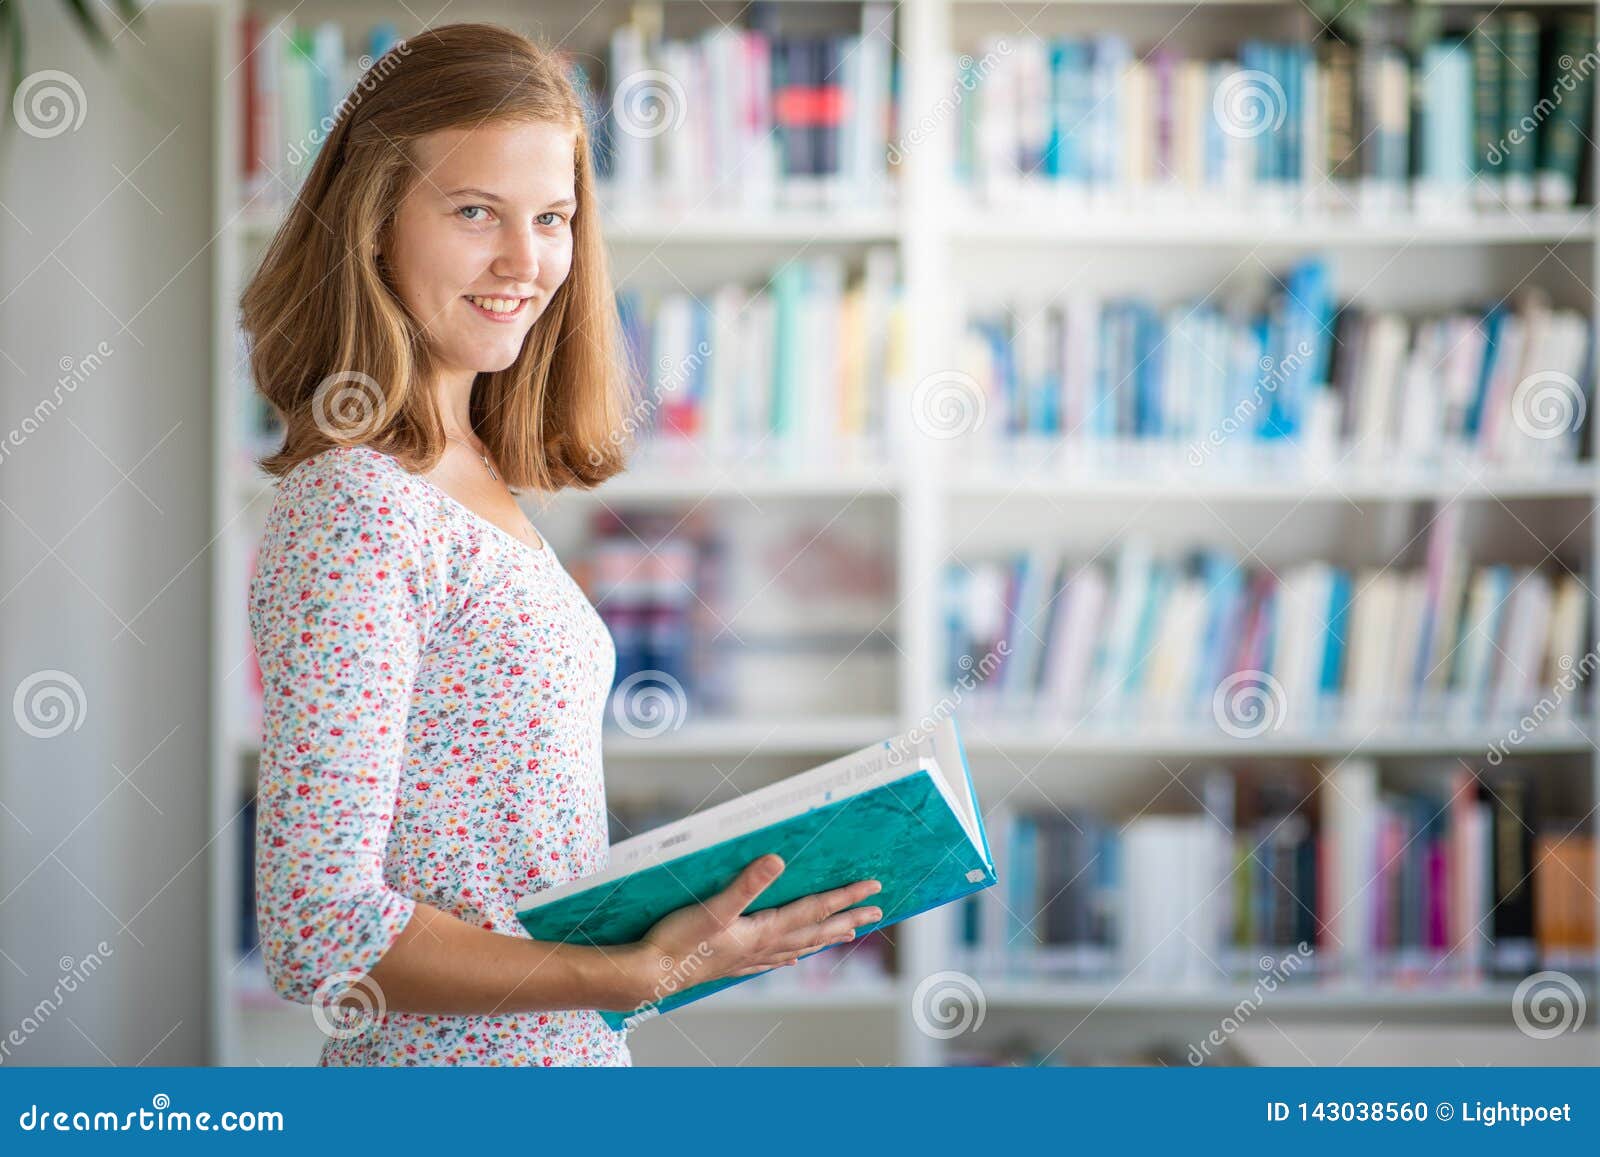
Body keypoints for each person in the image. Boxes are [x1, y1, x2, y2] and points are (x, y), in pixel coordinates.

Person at [240, 23, 881, 1066]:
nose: (523, 261)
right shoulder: (357, 506)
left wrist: (671, 924)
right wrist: (630, 974)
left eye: (552, 218)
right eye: (473, 212)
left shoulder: (465, 473)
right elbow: (318, 926)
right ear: (371, 225)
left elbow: (488, 853)